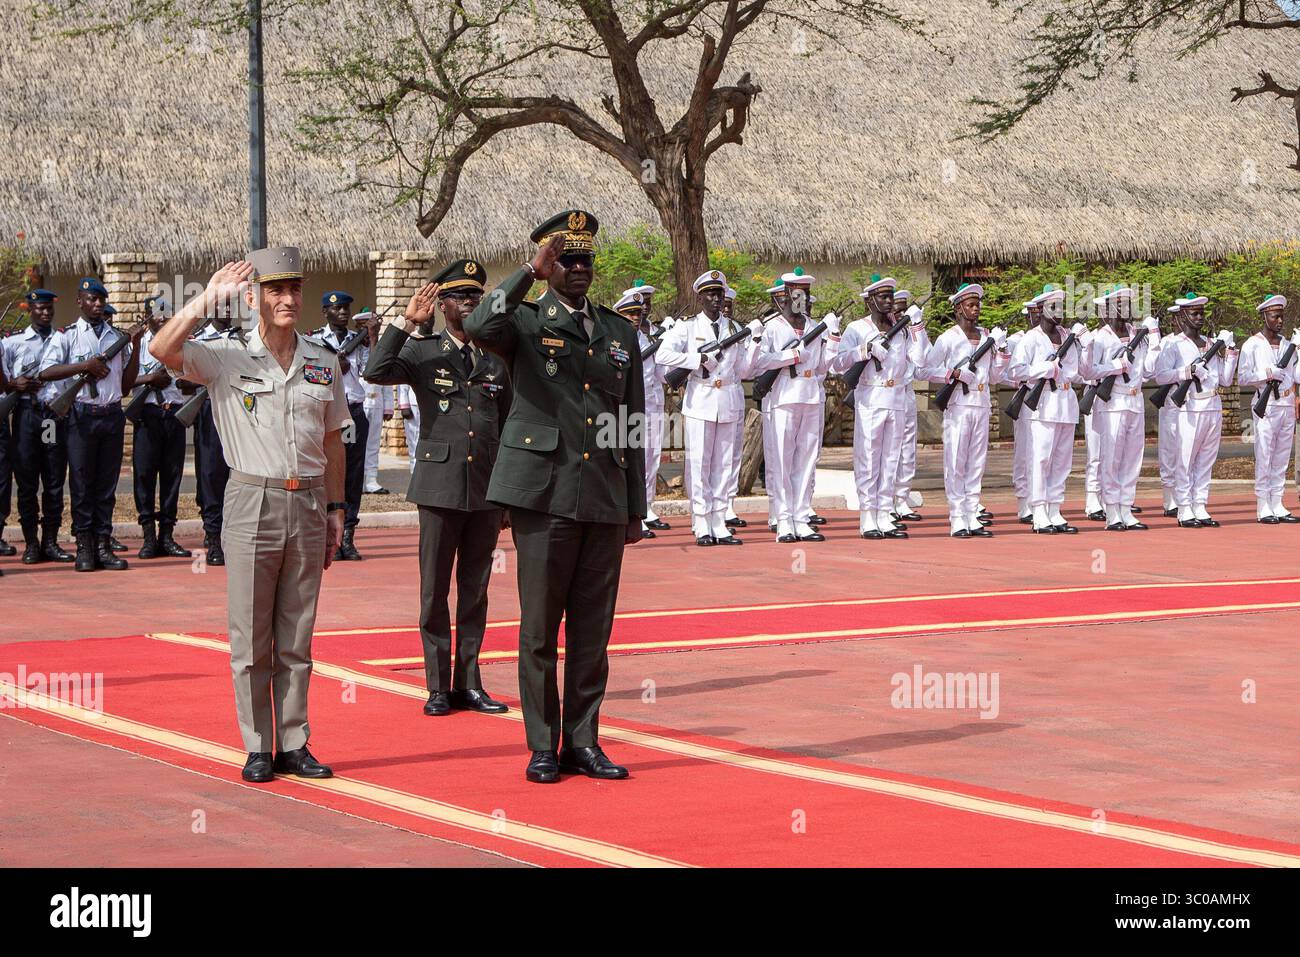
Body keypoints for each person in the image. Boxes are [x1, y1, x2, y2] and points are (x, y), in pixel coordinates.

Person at [150, 248, 350, 784]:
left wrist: (336, 508)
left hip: (308, 501)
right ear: (254, 297)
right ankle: (258, 745)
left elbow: (333, 438)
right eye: (274, 291)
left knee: (297, 634)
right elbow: (160, 348)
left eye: (293, 290)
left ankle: (294, 742)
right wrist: (203, 300)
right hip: (251, 500)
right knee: (250, 633)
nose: (287, 300)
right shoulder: (225, 356)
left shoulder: (322, 361)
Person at [464, 210, 646, 784]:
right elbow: (475, 325)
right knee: (540, 630)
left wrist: (635, 506)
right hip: (544, 496)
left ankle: (583, 742)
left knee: (593, 631)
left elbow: (632, 421)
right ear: (548, 266)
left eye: (586, 259)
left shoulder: (619, 332)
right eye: (565, 260)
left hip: (603, 497)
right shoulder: (520, 319)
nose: (578, 269)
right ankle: (542, 744)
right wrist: (525, 272)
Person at [365, 259, 512, 716]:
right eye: (461, 296)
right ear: (443, 303)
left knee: (476, 590)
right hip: (438, 487)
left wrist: (508, 493)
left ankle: (469, 682)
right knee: (434, 592)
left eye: (476, 295)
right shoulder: (424, 352)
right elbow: (376, 370)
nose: (470, 302)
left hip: (486, 490)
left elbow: (507, 424)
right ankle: (436, 686)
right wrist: (407, 324)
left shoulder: (496, 359)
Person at [38, 280, 141, 571]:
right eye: (92, 299)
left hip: (111, 415)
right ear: (80, 301)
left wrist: (134, 345)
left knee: (106, 485)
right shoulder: (67, 337)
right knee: (82, 484)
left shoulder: (115, 337)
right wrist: (85, 367)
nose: (98, 304)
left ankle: (103, 544)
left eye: (101, 300)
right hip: (81, 416)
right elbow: (47, 372)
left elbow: (125, 386)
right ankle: (84, 545)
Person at [660, 270, 763, 545]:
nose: (715, 299)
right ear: (700, 297)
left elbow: (744, 369)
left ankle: (719, 521)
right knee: (700, 463)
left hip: (728, 401)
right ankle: (702, 521)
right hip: (700, 401)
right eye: (710, 294)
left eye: (719, 294)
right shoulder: (688, 327)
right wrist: (698, 358)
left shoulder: (734, 328)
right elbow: (663, 354)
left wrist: (754, 342)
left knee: (725, 465)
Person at [834, 274, 923, 540]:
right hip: (871, 397)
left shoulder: (903, 329)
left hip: (896, 397)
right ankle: (868, 515)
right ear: (870, 301)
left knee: (891, 458)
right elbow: (838, 364)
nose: (889, 302)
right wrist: (865, 350)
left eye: (891, 297)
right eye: (883, 297)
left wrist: (918, 328)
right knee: (869, 458)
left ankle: (885, 512)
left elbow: (920, 360)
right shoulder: (857, 329)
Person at [756, 267, 839, 543]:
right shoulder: (773, 328)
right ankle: (782, 518)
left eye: (805, 293)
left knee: (806, 460)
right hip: (783, 396)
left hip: (811, 396)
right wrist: (789, 356)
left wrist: (834, 339)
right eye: (796, 293)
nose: (801, 298)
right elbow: (759, 362)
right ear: (785, 295)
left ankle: (801, 517)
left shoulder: (816, 328)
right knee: (781, 460)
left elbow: (826, 366)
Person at [923, 283, 1008, 538]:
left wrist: (1002, 351)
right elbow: (924, 370)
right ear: (959, 308)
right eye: (971, 305)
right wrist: (954, 373)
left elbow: (994, 376)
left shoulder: (986, 338)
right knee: (956, 461)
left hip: (981, 405)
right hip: (959, 406)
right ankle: (957, 516)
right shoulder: (948, 338)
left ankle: (972, 514)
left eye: (977, 304)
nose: (976, 309)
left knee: (976, 463)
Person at [1153, 293, 1237, 528]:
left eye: (1201, 313)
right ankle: (1184, 507)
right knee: (1185, 459)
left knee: (1206, 460)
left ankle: (1200, 504)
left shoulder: (1211, 344)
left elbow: (1226, 380)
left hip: (1212, 406)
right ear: (1183, 316)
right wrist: (1186, 372)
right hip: (1189, 407)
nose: (1199, 317)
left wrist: (1230, 351)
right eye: (1194, 313)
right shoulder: (1174, 344)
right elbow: (1161, 376)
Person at [2, 289, 74, 564]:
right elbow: (3, 380)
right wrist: (13, 384)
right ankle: (31, 542)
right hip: (26, 415)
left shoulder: (63, 340)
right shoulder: (14, 343)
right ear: (30, 310)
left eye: (48, 309)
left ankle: (51, 542)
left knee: (54, 479)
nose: (45, 313)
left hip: (51, 417)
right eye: (40, 308)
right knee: (27, 481)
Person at [309, 292, 378, 561]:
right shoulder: (313, 339)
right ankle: (326, 535)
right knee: (324, 470)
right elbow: (309, 373)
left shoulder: (356, 341)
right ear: (325, 311)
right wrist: (332, 367)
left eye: (346, 309)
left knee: (352, 472)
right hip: (325, 414)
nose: (343, 313)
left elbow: (372, 371)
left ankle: (347, 536)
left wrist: (372, 337)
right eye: (337, 309)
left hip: (352, 414)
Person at [1081, 288, 1155, 531]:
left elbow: (1150, 370)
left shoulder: (1138, 335)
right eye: (1120, 304)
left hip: (1135, 401)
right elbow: (1089, 372)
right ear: (1109, 308)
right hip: (1112, 403)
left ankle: (1126, 507)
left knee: (1133, 458)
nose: (1127, 309)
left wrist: (1154, 337)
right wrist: (1115, 366)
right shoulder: (1100, 337)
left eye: (1129, 304)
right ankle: (1111, 509)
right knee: (1111, 458)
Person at [1010, 287, 1083, 534]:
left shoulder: (1068, 337)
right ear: (1041, 310)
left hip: (1065, 403)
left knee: (1062, 462)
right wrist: (1043, 368)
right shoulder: (1031, 338)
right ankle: (1038, 509)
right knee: (1040, 460)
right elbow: (1016, 371)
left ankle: (1054, 508)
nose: (1059, 312)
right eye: (1054, 307)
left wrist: (1083, 344)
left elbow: (1077, 372)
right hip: (1042, 405)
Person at [130, 296, 192, 559]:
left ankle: (166, 535)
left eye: (167, 312)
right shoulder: (136, 346)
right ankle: (148, 537)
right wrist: (150, 379)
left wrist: (179, 381)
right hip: (148, 415)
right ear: (147, 317)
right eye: (157, 313)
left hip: (173, 415)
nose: (163, 317)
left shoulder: (182, 345)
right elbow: (123, 380)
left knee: (172, 477)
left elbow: (192, 381)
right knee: (144, 476)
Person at [1237, 294, 1300, 524]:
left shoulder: (1287, 345)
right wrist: (1266, 374)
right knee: (1264, 455)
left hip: (1285, 403)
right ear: (1265, 316)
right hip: (1266, 405)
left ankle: (1278, 501)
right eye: (1275, 316)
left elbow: (1296, 376)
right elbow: (1242, 378)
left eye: (1282, 316)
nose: (1280, 320)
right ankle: (1263, 504)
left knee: (1282, 457)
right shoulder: (1252, 345)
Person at [615, 284, 670, 538]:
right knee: (635, 460)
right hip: (630, 408)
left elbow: (661, 374)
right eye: (631, 314)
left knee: (652, 458)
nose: (637, 318)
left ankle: (647, 506)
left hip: (653, 404)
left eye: (639, 313)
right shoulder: (616, 342)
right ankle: (633, 510)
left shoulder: (649, 340)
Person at [890, 289, 928, 524]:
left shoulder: (910, 333)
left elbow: (922, 360)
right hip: (887, 393)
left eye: (904, 309)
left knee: (907, 449)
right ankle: (886, 501)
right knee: (888, 450)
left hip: (907, 393)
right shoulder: (885, 333)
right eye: (898, 309)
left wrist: (918, 327)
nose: (901, 313)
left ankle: (901, 498)